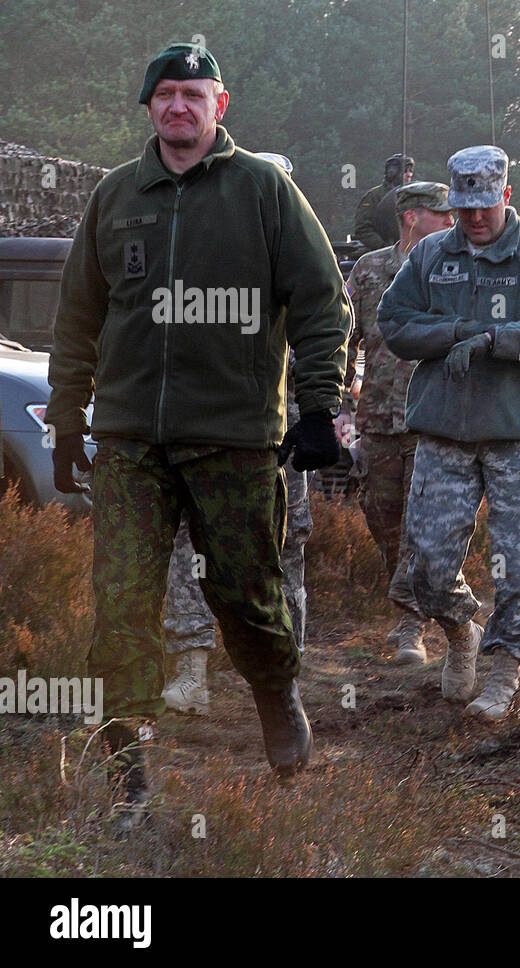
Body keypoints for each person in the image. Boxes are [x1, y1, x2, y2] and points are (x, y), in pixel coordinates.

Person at [47, 43, 350, 832]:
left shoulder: (263, 190)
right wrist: (69, 416)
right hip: (130, 444)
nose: (178, 107)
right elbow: (79, 316)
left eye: (193, 94)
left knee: (246, 596)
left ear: (220, 105)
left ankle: (277, 699)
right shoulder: (116, 195)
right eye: (165, 95)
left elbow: (322, 301)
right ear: (148, 107)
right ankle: (129, 776)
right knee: (121, 608)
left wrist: (317, 408)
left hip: (233, 438)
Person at [378, 146, 520, 720]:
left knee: (519, 562)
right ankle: (461, 631)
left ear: (505, 194)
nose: (475, 218)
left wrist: (496, 342)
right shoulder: (430, 253)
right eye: (463, 207)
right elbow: (394, 323)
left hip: (518, 433)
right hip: (444, 431)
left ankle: (504, 674)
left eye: (485, 205)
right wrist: (458, 331)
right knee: (426, 564)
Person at [161, 150, 316, 717]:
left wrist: (316, 406)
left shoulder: (301, 259)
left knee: (286, 543)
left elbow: (332, 332)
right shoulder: (202, 258)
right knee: (188, 540)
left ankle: (283, 671)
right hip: (208, 423)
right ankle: (192, 668)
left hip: (285, 420)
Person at [347, 181, 455, 664]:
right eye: (442, 214)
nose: (453, 221)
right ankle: (410, 601)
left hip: (430, 419)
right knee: (382, 517)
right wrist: (338, 397)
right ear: (412, 216)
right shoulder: (369, 270)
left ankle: (409, 625)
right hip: (376, 418)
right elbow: (342, 333)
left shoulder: (453, 268)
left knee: (418, 524)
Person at [353, 153, 414, 251]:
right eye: (405, 171)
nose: (409, 174)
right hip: (383, 251)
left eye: (410, 171)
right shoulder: (374, 196)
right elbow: (363, 230)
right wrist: (385, 247)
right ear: (392, 172)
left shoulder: (413, 195)